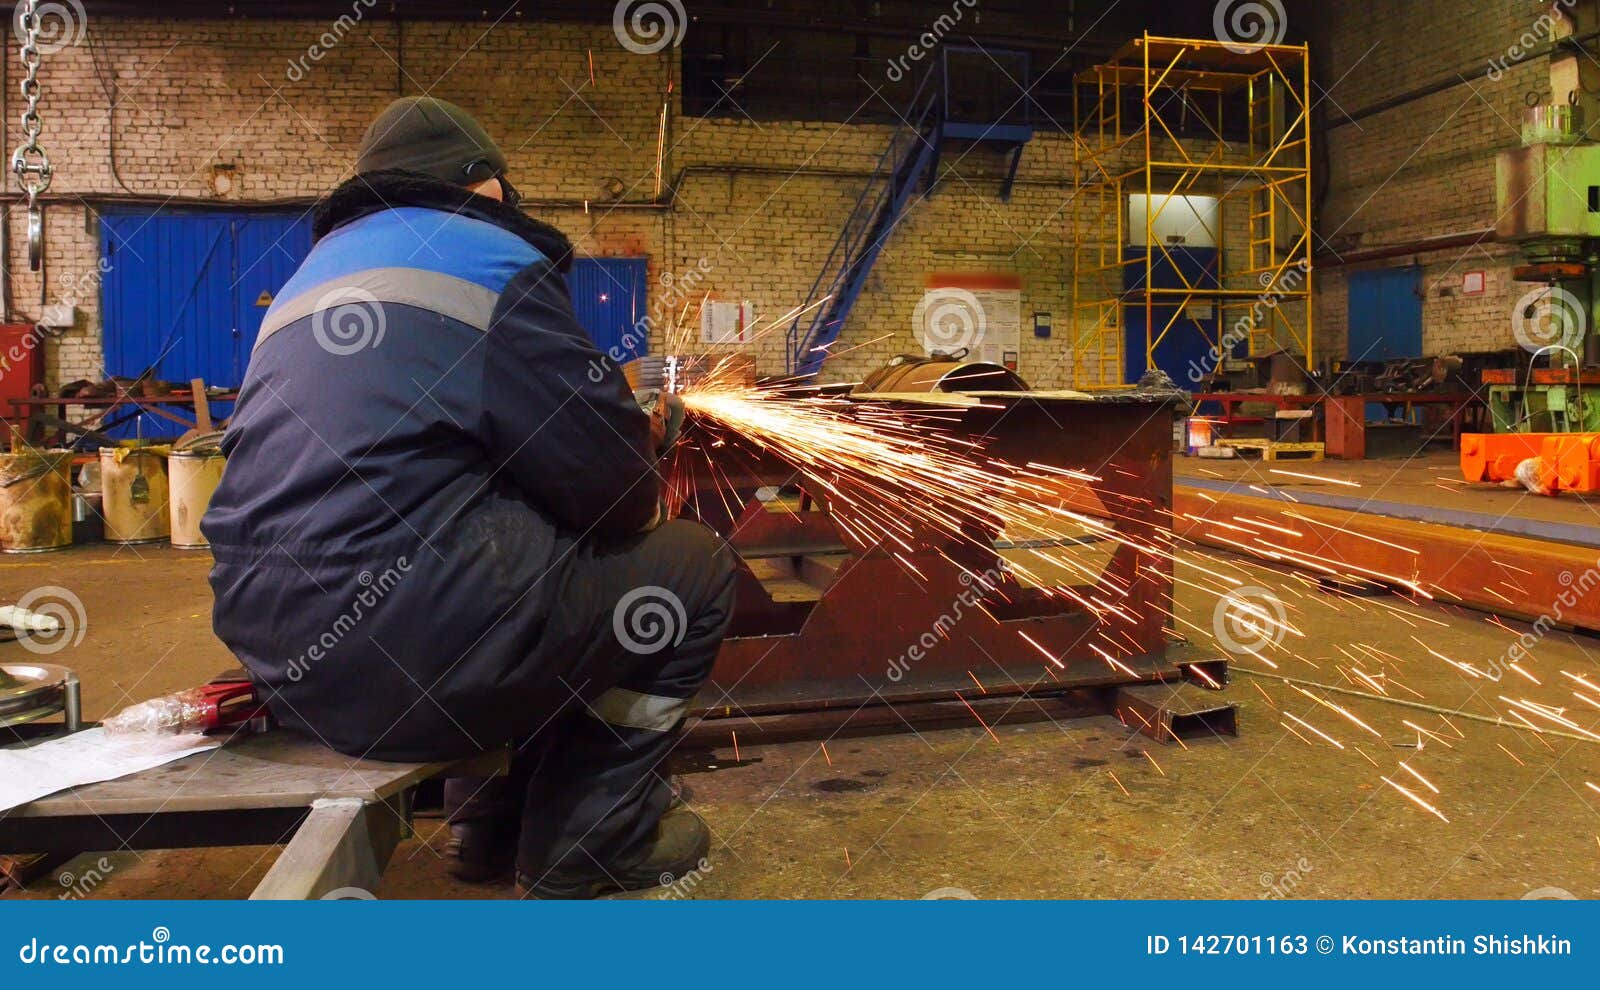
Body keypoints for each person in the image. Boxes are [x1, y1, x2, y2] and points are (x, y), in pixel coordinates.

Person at [203, 96, 737, 898]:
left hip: (288, 671)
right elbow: (615, 496)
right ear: (481, 184)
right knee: (691, 570)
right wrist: (646, 440)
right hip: (414, 662)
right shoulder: (489, 261)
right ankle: (591, 839)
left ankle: (487, 831)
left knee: (503, 559)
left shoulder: (307, 282)